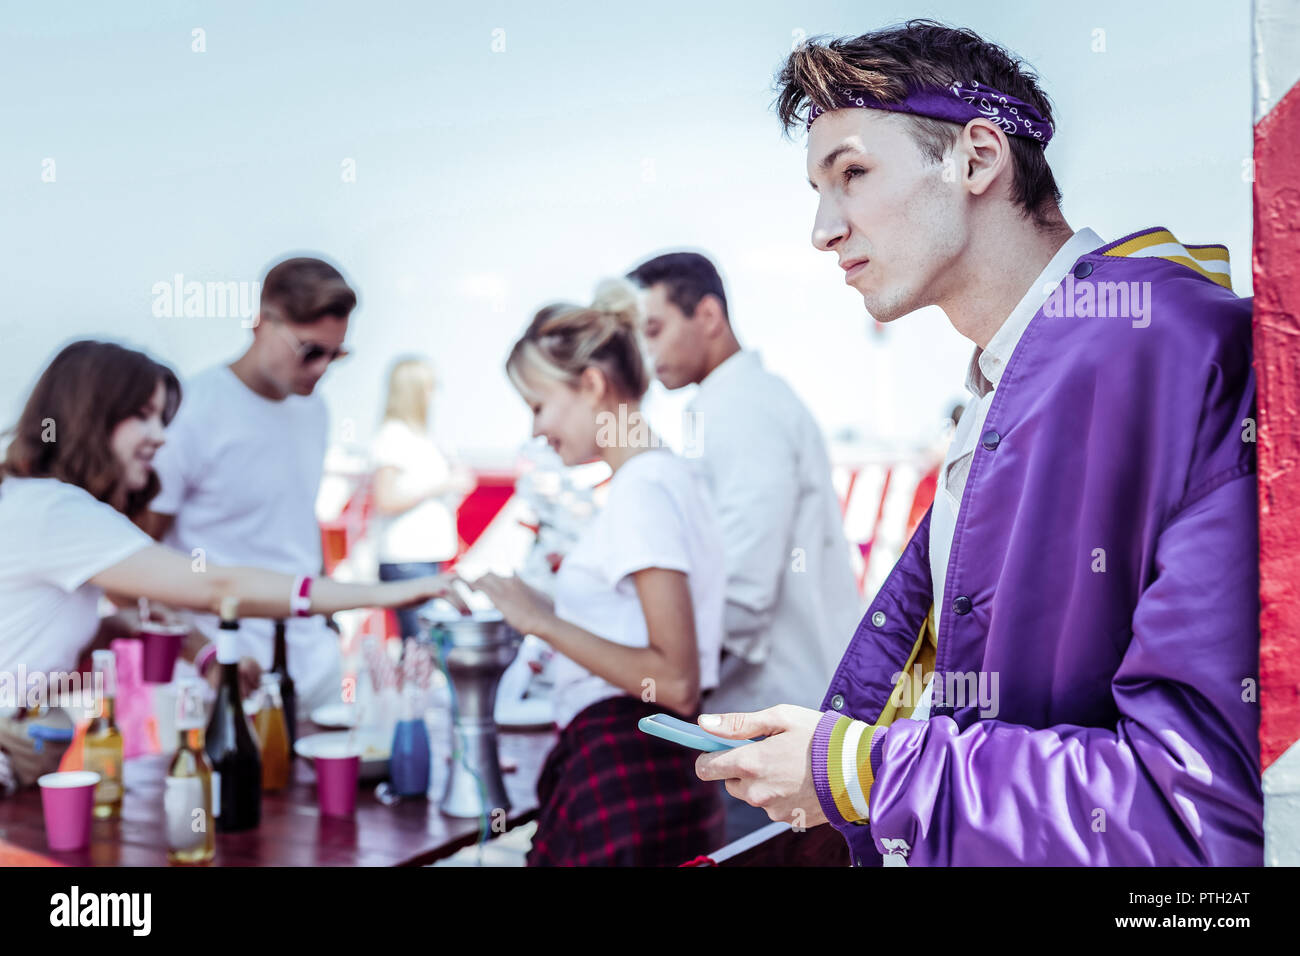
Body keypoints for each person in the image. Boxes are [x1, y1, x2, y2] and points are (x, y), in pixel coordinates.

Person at [695, 20, 1262, 866]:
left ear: (977, 159)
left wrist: (862, 771)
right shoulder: (1011, 382)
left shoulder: (1172, 347)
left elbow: (1192, 815)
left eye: (851, 173)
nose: (822, 228)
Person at [0, 341, 465, 794]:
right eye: (142, 416)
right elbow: (217, 584)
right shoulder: (56, 511)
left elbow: (37, 639)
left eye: (161, 417)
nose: (161, 436)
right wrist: (381, 594)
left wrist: (190, 649)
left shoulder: (37, 504)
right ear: (91, 418)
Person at [463, 280, 727, 866]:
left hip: (626, 772)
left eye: (537, 404)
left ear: (591, 384)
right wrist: (544, 606)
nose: (534, 429)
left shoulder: (642, 490)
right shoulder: (662, 478)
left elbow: (675, 680)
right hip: (650, 777)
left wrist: (539, 621)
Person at [627, 250, 861, 840]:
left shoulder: (741, 409)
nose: (646, 352)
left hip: (775, 718)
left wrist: (658, 677)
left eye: (654, 329)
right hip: (782, 709)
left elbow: (742, 593)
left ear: (707, 314)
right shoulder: (740, 402)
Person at [144, 256, 359, 715]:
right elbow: (138, 562)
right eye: (310, 351)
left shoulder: (315, 411)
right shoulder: (192, 410)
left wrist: (328, 619)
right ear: (261, 321)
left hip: (313, 666)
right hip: (226, 673)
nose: (321, 368)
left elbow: (296, 519)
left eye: (335, 354)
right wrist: (203, 652)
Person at [370, 357, 475, 640]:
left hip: (426, 555)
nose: (433, 396)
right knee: (422, 641)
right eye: (429, 388)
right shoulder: (392, 436)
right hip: (407, 558)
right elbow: (386, 498)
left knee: (428, 640)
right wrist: (442, 484)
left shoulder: (422, 437)